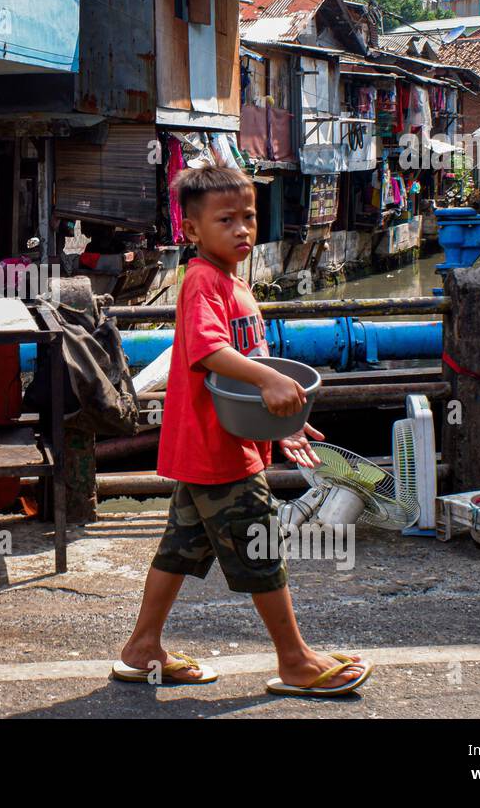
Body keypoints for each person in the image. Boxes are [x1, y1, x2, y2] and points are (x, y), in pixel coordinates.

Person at [114, 165, 374, 697]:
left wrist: (282, 425)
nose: (241, 230)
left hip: (218, 444)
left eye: (249, 218)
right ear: (192, 231)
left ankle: (143, 649)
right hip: (220, 453)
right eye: (225, 219)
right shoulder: (202, 282)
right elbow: (211, 352)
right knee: (262, 547)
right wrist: (271, 378)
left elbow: (237, 376)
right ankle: (296, 661)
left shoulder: (233, 283)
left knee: (180, 548)